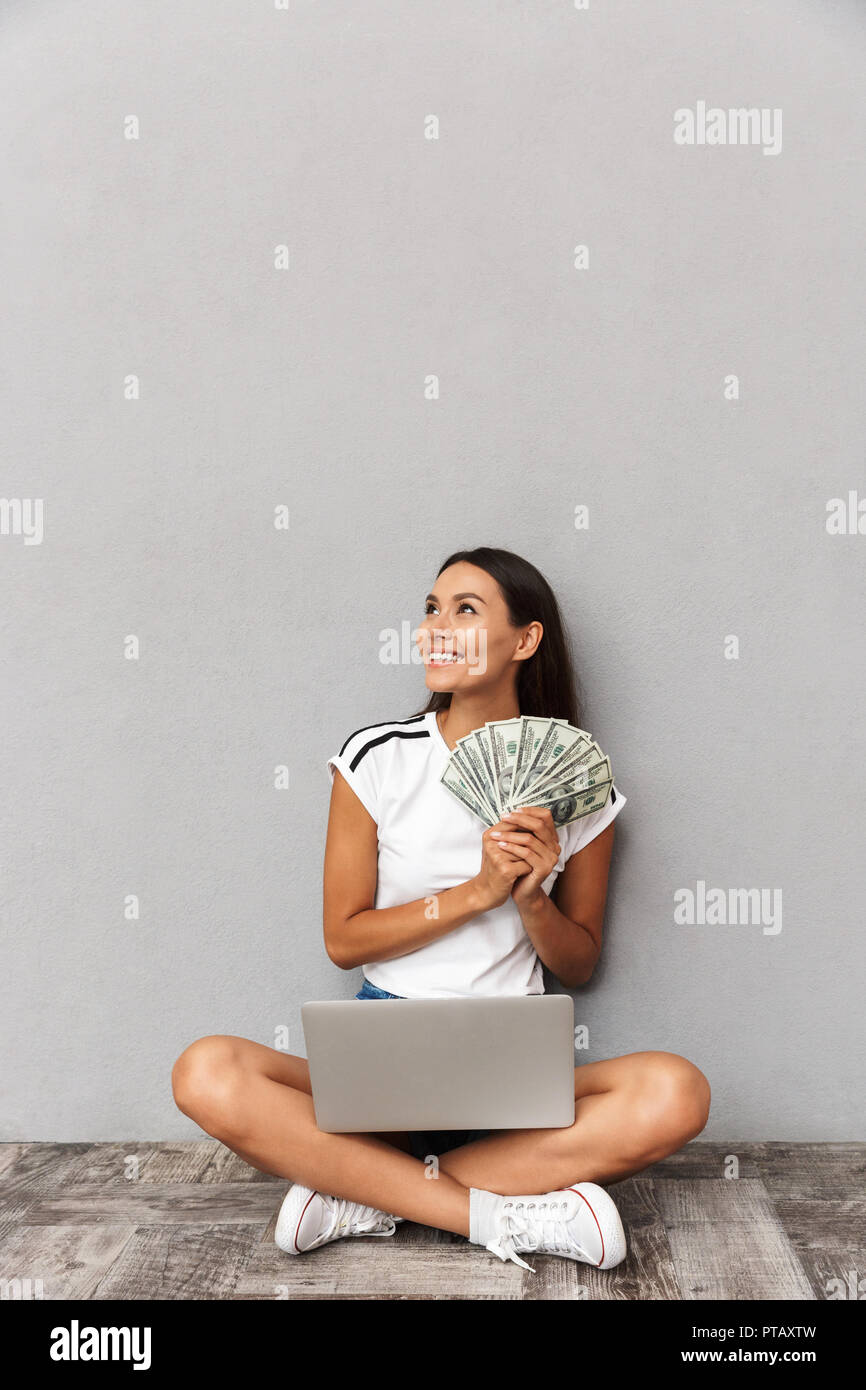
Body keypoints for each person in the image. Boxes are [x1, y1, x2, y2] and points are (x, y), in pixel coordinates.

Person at [172, 547, 710, 1272]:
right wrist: (476, 893)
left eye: (465, 610)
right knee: (205, 1071)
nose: (434, 629)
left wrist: (529, 899)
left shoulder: (581, 790)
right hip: (383, 1062)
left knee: (676, 1092)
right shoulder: (376, 759)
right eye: (430, 609)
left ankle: (356, 1193)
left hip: (511, 1076)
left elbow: (578, 961)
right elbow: (344, 938)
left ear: (525, 641)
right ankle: (496, 1216)